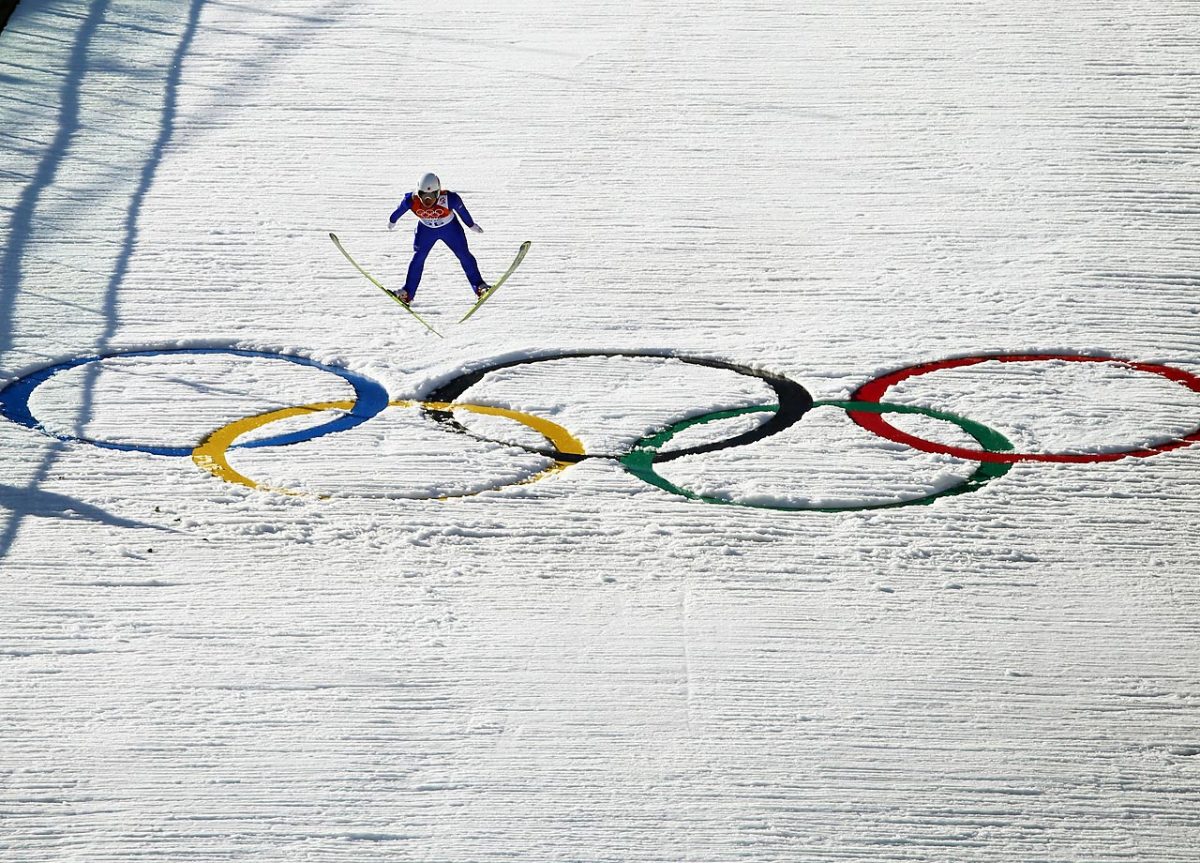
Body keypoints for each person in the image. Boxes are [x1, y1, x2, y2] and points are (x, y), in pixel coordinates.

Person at [387, 172, 489, 305]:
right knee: (418, 258)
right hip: (426, 230)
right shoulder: (411, 200)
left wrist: (471, 224)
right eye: (423, 195)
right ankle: (407, 294)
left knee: (463, 255)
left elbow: (462, 211)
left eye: (432, 195)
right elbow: (399, 210)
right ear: (418, 192)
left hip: (450, 228)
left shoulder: (449, 198)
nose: (428, 200)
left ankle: (480, 286)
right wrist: (392, 220)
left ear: (438, 192)